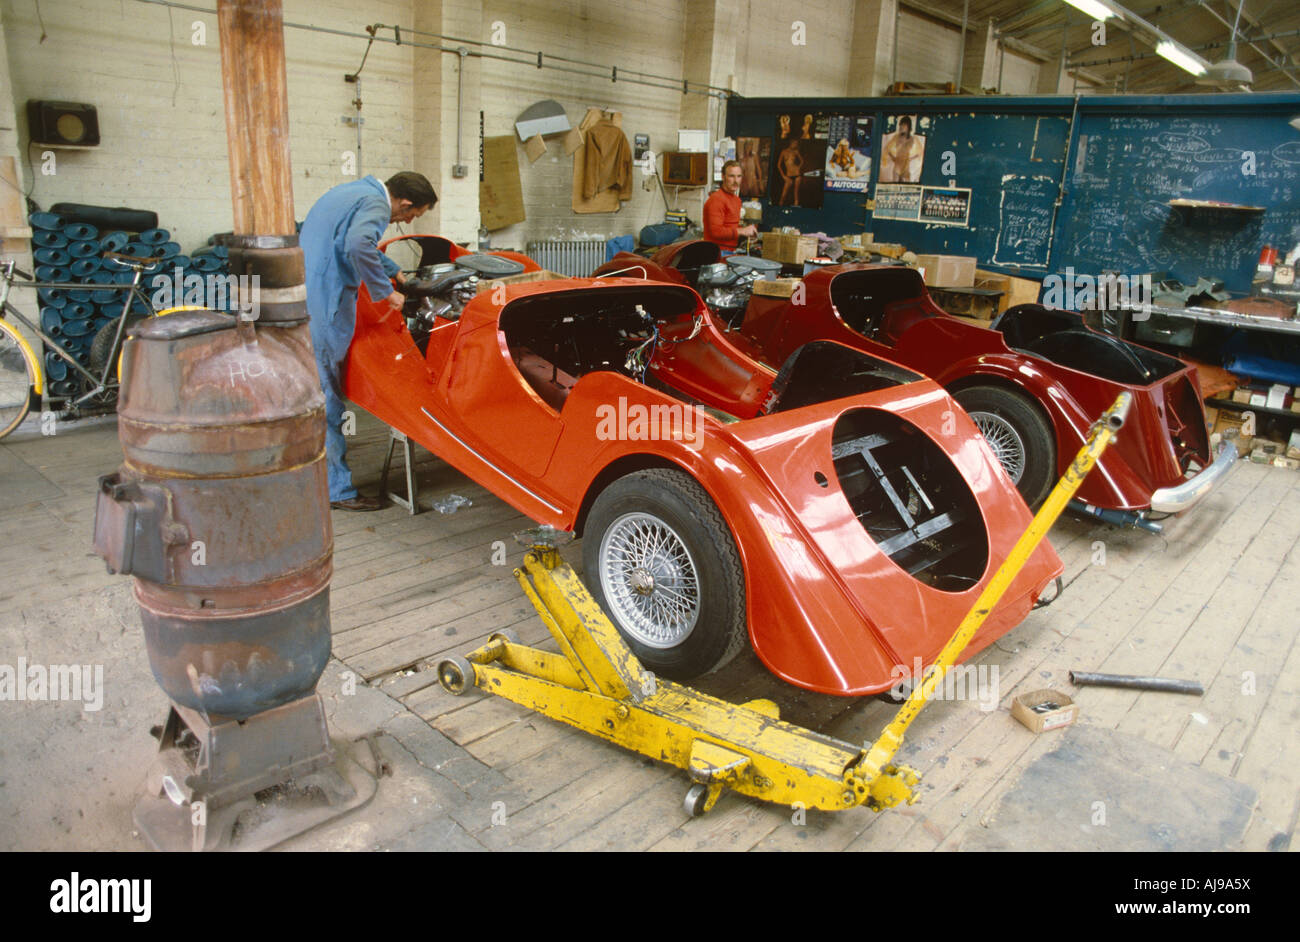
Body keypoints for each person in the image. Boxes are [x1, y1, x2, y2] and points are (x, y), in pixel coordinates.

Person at [301, 171, 436, 511]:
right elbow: (358, 244)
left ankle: (309, 474)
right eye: (411, 215)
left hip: (308, 294)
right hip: (328, 300)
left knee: (313, 387)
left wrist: (393, 268)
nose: (404, 221)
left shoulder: (354, 190)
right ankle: (337, 491)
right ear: (404, 203)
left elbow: (348, 238)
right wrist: (385, 292)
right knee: (327, 394)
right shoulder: (376, 204)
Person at [703, 160, 757, 253]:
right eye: (731, 176)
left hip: (731, 250)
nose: (736, 181)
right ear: (723, 177)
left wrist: (747, 233)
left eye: (739, 176)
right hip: (716, 252)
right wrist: (742, 231)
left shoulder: (736, 200)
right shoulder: (716, 200)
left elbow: (730, 226)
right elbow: (716, 232)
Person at [882, 116, 921, 183]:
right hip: (897, 167)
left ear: (908, 127)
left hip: (906, 167)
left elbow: (920, 153)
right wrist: (893, 158)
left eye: (904, 125)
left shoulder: (913, 138)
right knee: (894, 186)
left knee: (906, 187)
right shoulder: (896, 137)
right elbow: (886, 149)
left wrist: (910, 158)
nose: (902, 127)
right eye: (901, 125)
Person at [776, 138, 804, 207]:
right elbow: (778, 165)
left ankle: (796, 208)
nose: (795, 145)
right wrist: (783, 176)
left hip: (797, 174)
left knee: (796, 194)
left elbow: (802, 161)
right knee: (783, 195)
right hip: (788, 175)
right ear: (791, 142)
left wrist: (799, 167)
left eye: (797, 144)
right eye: (795, 143)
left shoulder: (796, 152)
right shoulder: (784, 151)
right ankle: (779, 207)